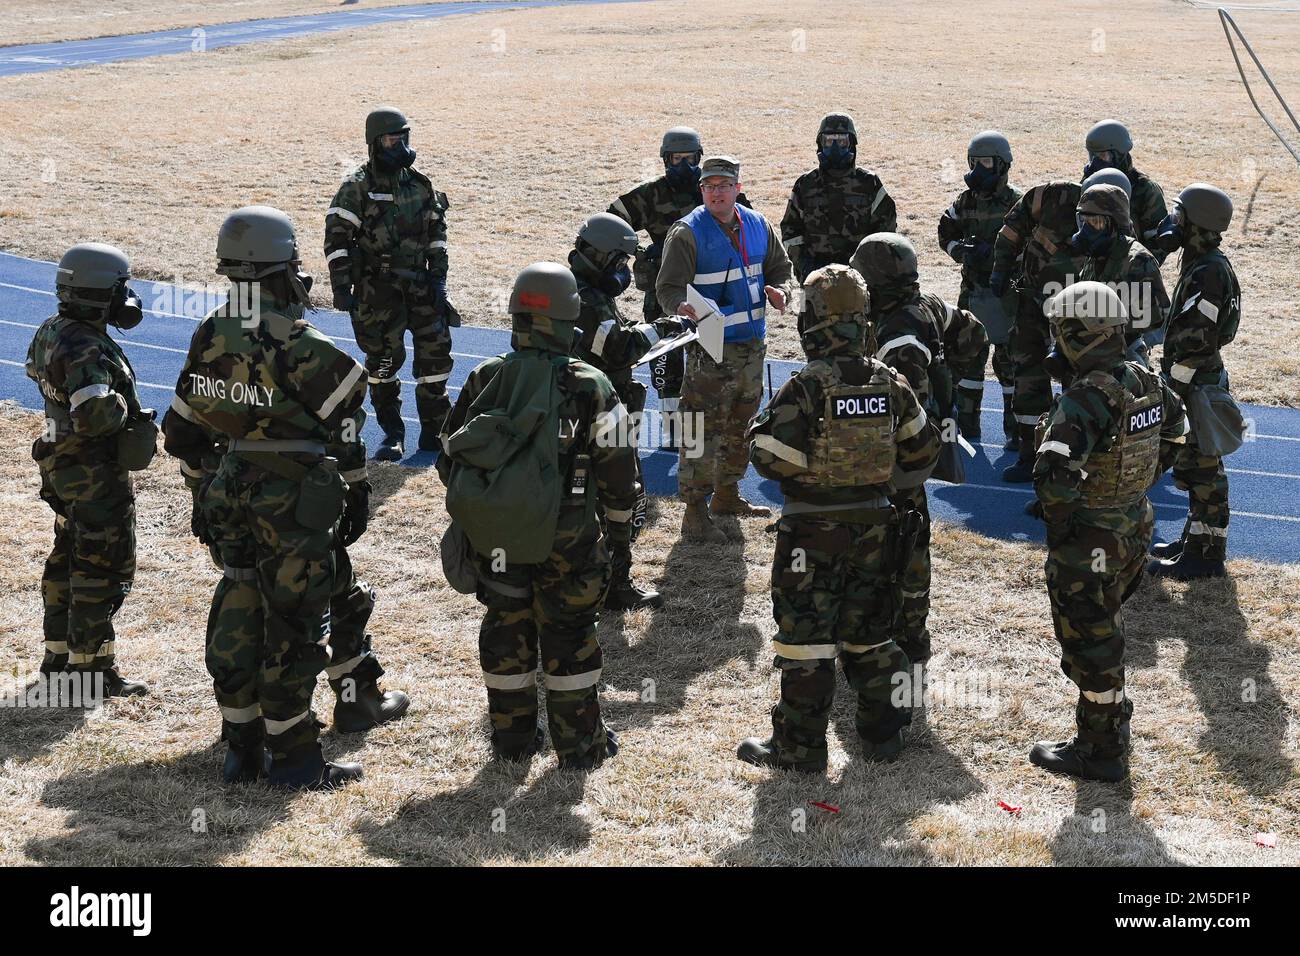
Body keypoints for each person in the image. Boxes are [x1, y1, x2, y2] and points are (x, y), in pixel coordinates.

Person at [163, 205, 394, 789]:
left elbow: (182, 432)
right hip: (295, 505)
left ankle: (243, 745)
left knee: (244, 604)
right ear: (281, 270)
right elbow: (347, 435)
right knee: (295, 624)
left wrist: (206, 488)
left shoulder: (211, 332)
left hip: (230, 492)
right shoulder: (306, 347)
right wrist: (356, 492)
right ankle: (293, 757)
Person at [437, 262, 639, 769]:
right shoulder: (590, 385)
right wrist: (620, 537)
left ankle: (512, 739)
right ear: (570, 319)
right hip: (568, 537)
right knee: (569, 634)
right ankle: (580, 746)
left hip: (498, 538)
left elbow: (449, 455)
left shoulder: (488, 376)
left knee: (506, 627)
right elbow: (618, 474)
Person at [738, 265, 940, 771]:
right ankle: (882, 731)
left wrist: (819, 473)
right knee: (869, 630)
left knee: (805, 641)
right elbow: (923, 450)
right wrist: (875, 477)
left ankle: (799, 749)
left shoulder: (807, 385)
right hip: (877, 527)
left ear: (813, 321)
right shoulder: (890, 381)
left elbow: (767, 454)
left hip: (812, 531)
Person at [1029, 282, 1189, 781]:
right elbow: (1177, 436)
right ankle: (1111, 724)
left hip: (1091, 536)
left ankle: (1099, 751)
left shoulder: (1086, 396)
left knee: (1092, 646)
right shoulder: (1144, 380)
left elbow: (1054, 475)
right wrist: (1136, 484)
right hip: (1133, 526)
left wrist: (1062, 527)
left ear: (1082, 333)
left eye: (1061, 330)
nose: (1056, 340)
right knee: (1106, 631)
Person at [25, 242, 152, 699]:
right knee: (102, 568)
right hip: (93, 474)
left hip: (59, 466)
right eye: (122, 288)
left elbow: (36, 377)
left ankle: (58, 661)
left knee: (66, 558)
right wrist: (130, 412)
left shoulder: (52, 329)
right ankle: (90, 671)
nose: (128, 296)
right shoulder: (85, 346)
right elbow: (96, 415)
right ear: (102, 292)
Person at [852, 233, 983, 665]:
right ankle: (911, 634)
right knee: (912, 543)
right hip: (918, 449)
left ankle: (902, 635)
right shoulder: (928, 305)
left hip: (896, 460)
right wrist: (959, 388)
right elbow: (974, 333)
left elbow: (906, 407)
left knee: (900, 548)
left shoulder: (897, 336)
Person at [655, 155, 796, 542]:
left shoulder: (759, 225)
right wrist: (678, 306)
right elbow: (666, 288)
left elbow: (781, 269)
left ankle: (728, 495)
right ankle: (695, 512)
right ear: (701, 190)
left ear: (738, 187)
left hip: (751, 348)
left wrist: (781, 291)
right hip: (708, 350)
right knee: (700, 429)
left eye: (724, 185)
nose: (717, 192)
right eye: (709, 186)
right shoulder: (687, 232)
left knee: (741, 425)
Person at [569, 212, 691, 611]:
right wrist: (661, 330)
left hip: (579, 413)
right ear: (603, 257)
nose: (624, 271)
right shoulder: (589, 298)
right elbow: (618, 347)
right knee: (622, 499)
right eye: (621, 262)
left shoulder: (574, 289)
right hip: (603, 416)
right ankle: (616, 584)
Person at [324, 106, 455, 460]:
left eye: (404, 137)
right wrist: (341, 288)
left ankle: (433, 431)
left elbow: (437, 235)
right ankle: (392, 434)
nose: (400, 144)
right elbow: (336, 240)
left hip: (421, 286)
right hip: (377, 290)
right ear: (375, 143)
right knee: (383, 364)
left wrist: (439, 282)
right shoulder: (357, 187)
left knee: (436, 358)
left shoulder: (420, 184)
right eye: (392, 138)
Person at [610, 127, 752, 447]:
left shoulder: (716, 191)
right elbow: (612, 222)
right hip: (665, 291)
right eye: (677, 159)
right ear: (665, 160)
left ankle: (711, 426)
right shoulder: (650, 194)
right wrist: (644, 252)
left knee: (714, 360)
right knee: (667, 361)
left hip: (711, 292)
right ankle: (674, 429)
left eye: (690, 159)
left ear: (699, 158)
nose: (684, 166)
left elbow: (750, 228)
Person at [1147, 184, 1241, 579]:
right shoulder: (1202, 262)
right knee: (1199, 463)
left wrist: (1173, 387)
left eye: (1180, 214)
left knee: (1204, 469)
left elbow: (1198, 338)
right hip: (1194, 379)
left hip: (1194, 382)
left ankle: (1206, 555)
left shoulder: (1209, 271)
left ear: (1196, 221)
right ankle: (1195, 539)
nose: (1174, 219)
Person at [990, 179, 1087, 481]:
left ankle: (1076, 459)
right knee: (1028, 373)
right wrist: (1000, 269)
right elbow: (1009, 232)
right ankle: (1029, 454)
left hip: (1084, 307)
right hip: (1033, 300)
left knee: (1083, 382)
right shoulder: (1049, 196)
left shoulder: (1121, 211)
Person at [937, 130, 1021, 444]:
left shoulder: (1018, 203)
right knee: (967, 357)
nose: (978, 170)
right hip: (972, 289)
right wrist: (962, 250)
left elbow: (1032, 245)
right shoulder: (965, 201)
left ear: (1001, 165)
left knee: (1010, 361)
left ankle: (1016, 430)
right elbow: (945, 232)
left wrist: (1002, 256)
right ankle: (967, 424)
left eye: (985, 162)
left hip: (1008, 292)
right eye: (974, 162)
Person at [781, 112, 897, 282]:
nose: (835, 147)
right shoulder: (805, 185)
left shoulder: (869, 183)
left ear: (852, 145)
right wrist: (805, 267)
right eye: (828, 141)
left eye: (842, 141)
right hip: (814, 279)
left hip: (861, 279)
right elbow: (790, 230)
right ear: (820, 144)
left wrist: (866, 268)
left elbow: (886, 233)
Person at [1072, 184, 1169, 366]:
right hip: (1090, 347)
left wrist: (1104, 321)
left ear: (1115, 224)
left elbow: (1152, 318)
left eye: (1096, 223)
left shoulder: (1138, 261)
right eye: (1083, 221)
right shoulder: (1094, 254)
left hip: (1125, 352)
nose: (1086, 230)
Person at [1081, 120, 1168, 259]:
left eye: (1103, 156)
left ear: (1120, 155)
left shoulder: (1146, 190)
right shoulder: (1091, 181)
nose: (1096, 162)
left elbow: (1158, 243)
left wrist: (1135, 268)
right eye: (1093, 156)